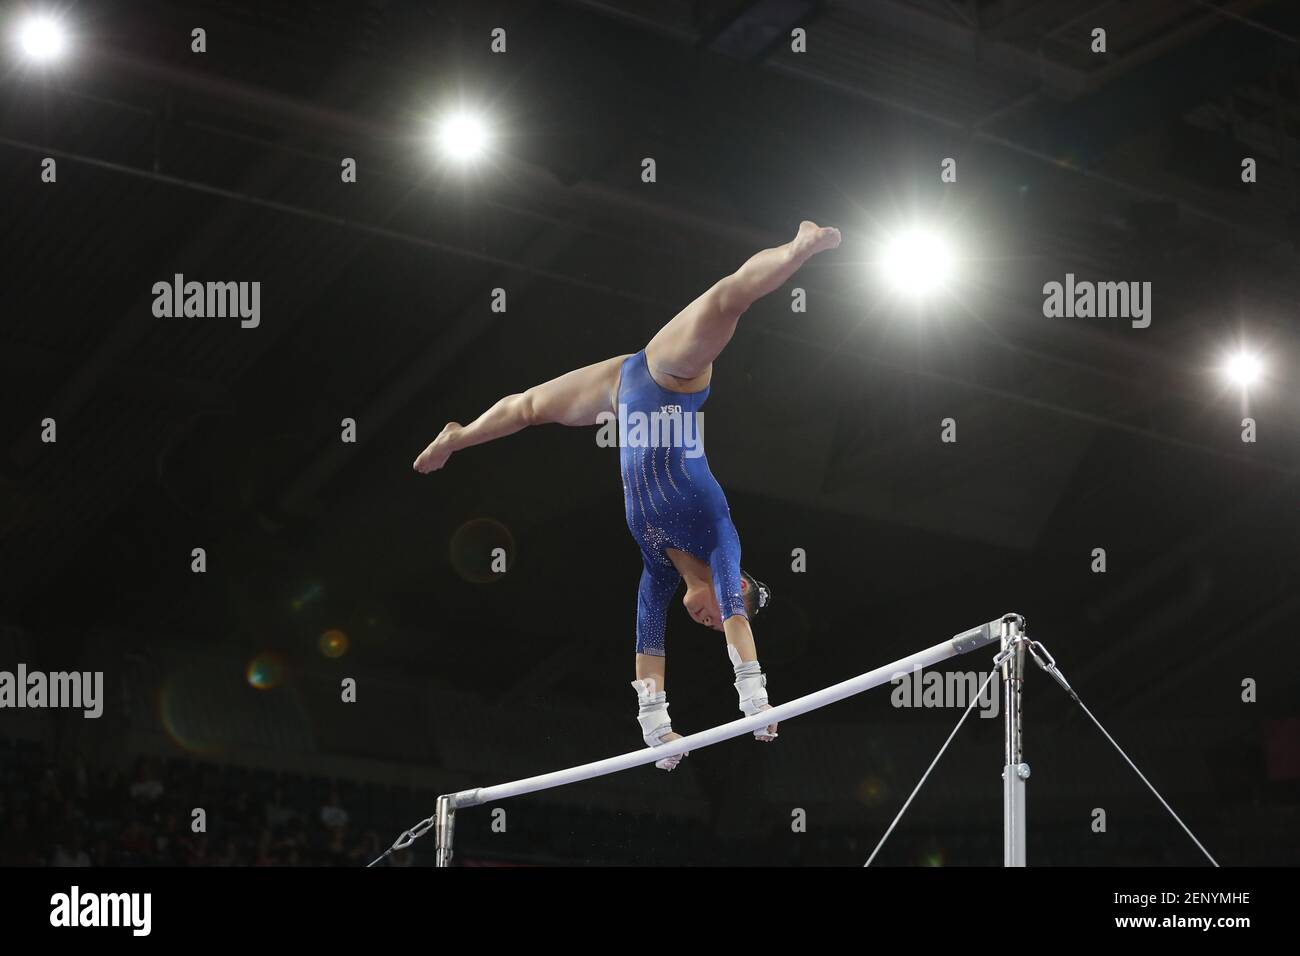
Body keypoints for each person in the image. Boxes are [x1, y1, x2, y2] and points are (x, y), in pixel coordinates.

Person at [414, 220, 841, 769]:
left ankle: (458, 436)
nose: (712, 622)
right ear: (733, 584)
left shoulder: (658, 569)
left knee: (527, 410)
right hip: (671, 380)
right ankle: (799, 246)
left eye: (711, 626)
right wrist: (754, 699)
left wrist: (656, 727)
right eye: (724, 616)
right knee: (726, 301)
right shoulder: (720, 543)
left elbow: (648, 640)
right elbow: (737, 611)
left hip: (620, 387)